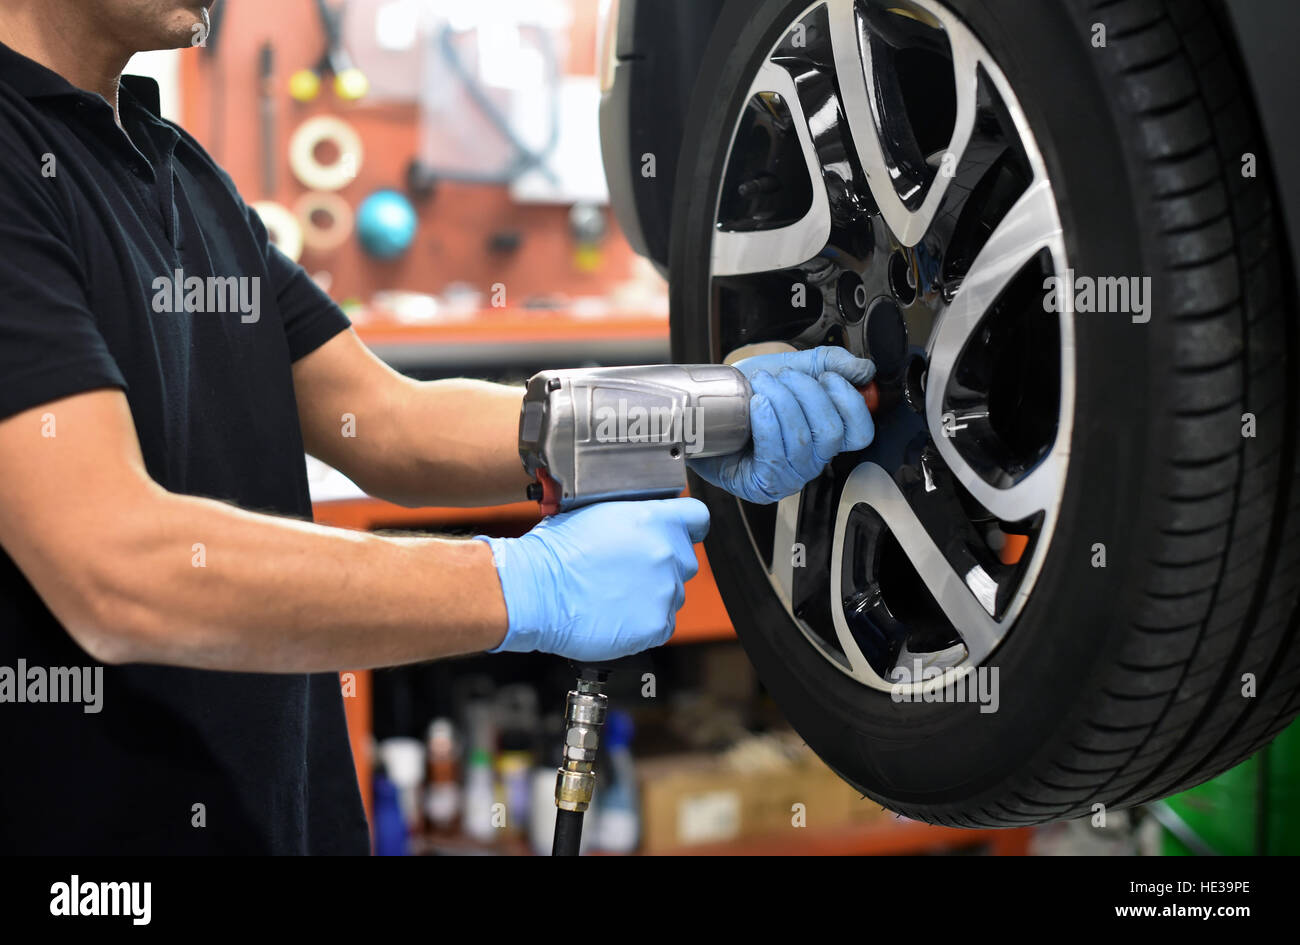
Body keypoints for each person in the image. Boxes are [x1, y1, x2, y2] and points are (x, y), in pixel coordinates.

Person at [0, 0, 875, 853]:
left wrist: (693, 417)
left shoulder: (175, 169)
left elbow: (385, 419)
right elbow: (115, 566)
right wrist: (522, 586)